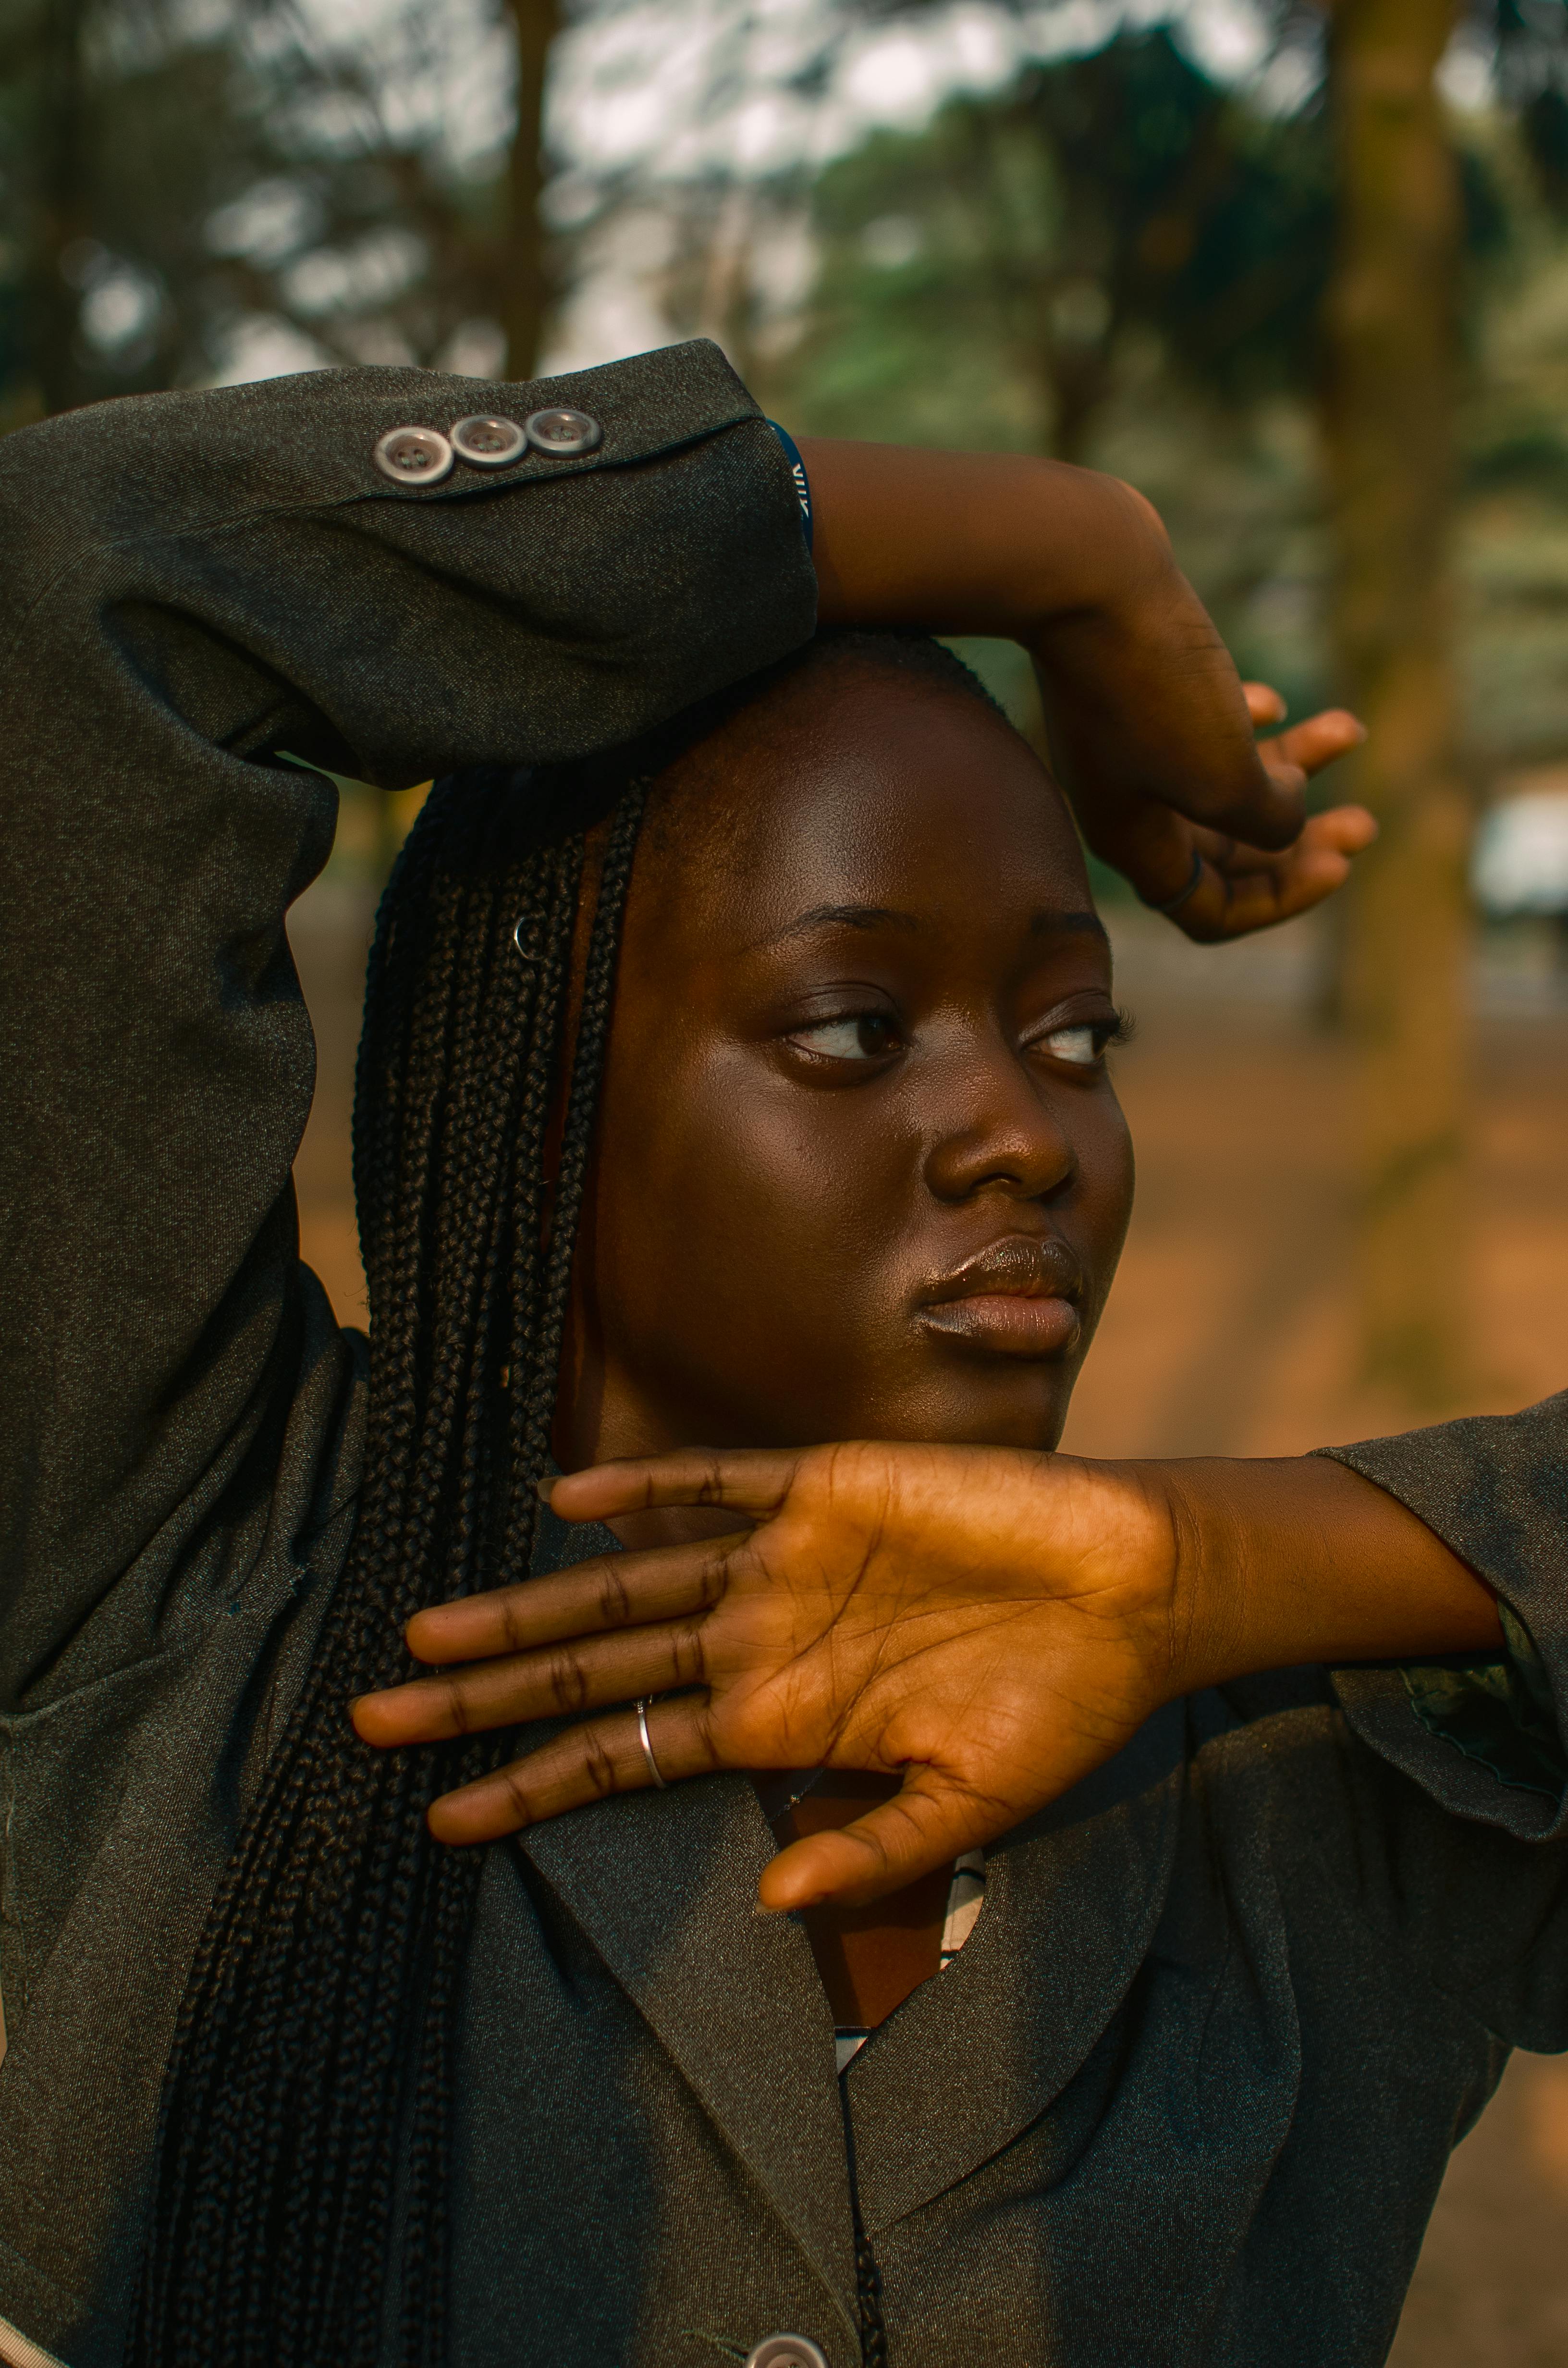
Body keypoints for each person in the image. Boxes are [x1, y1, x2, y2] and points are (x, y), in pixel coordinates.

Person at [0, 338, 1371, 2368]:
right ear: (545, 1097)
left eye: (1077, 1030)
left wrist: (1233, 1572)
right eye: (853, 1024)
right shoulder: (186, 1554)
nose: (1027, 1128)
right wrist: (1071, 550)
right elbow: (91, 578)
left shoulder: (1278, 1760)